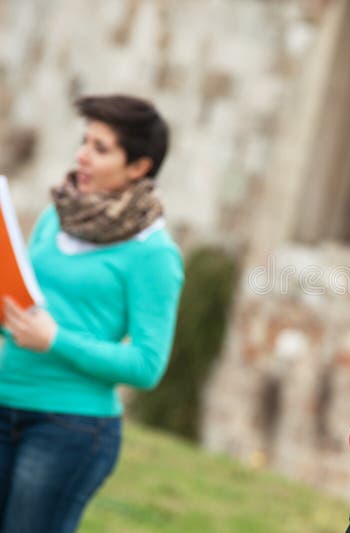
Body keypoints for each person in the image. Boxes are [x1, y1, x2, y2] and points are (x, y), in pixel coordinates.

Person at [0, 94, 184, 533]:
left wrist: (56, 340)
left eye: (100, 148)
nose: (81, 156)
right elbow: (28, 314)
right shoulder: (56, 216)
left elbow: (146, 365)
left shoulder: (154, 254)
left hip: (68, 429)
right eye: (84, 142)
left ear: (138, 166)